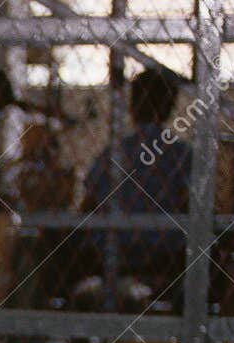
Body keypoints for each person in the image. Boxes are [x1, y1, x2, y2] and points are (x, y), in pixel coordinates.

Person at [80, 68, 190, 288]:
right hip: (165, 258)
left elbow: (88, 205)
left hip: (109, 255)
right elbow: (191, 205)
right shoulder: (182, 155)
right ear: (170, 108)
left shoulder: (111, 154)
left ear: (132, 106)